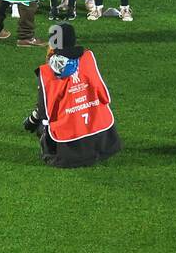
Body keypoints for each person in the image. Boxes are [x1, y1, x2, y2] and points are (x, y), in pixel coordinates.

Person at [22, 23, 121, 168]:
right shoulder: (88, 58)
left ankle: (52, 151)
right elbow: (104, 95)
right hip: (103, 140)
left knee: (42, 124)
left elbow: (45, 112)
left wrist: (31, 121)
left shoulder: (47, 72)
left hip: (68, 149)